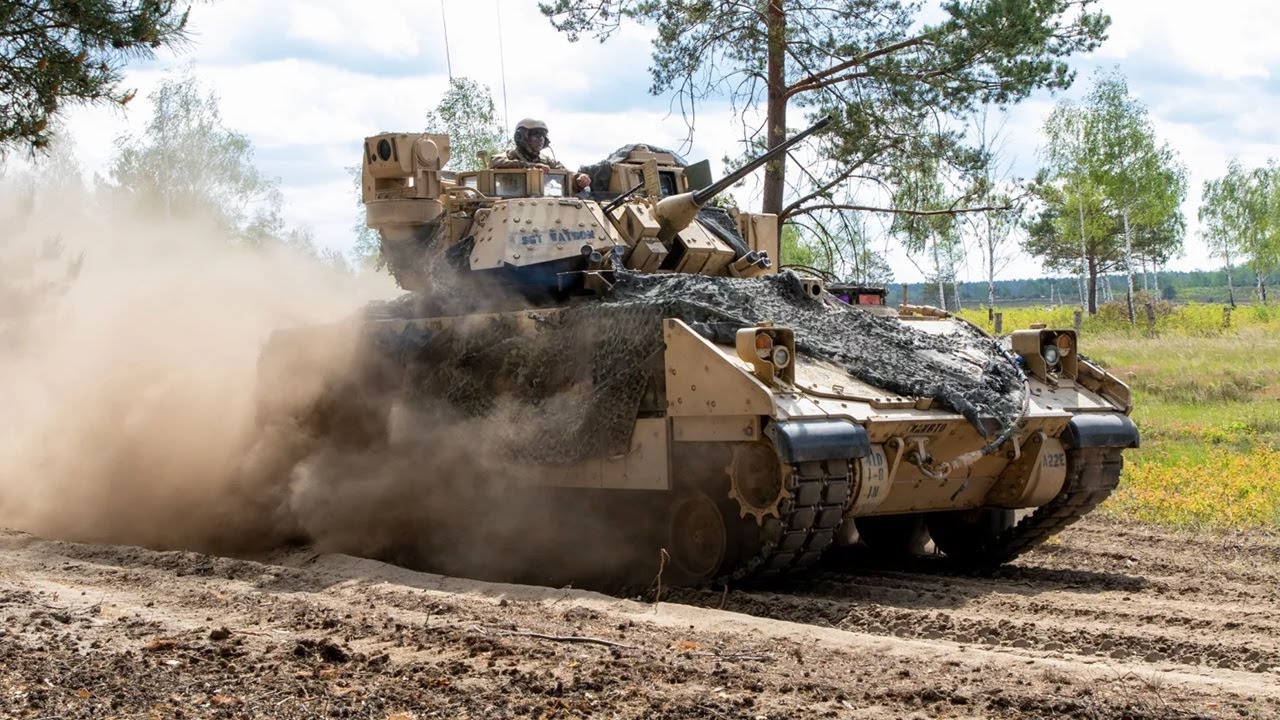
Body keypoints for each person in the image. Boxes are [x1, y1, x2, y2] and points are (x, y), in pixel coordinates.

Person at [491, 118, 591, 192]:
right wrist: (530, 166)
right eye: (536, 135)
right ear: (522, 137)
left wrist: (579, 178)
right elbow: (494, 162)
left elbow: (564, 171)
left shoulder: (546, 161)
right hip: (509, 203)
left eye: (543, 136)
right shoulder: (510, 155)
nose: (541, 139)